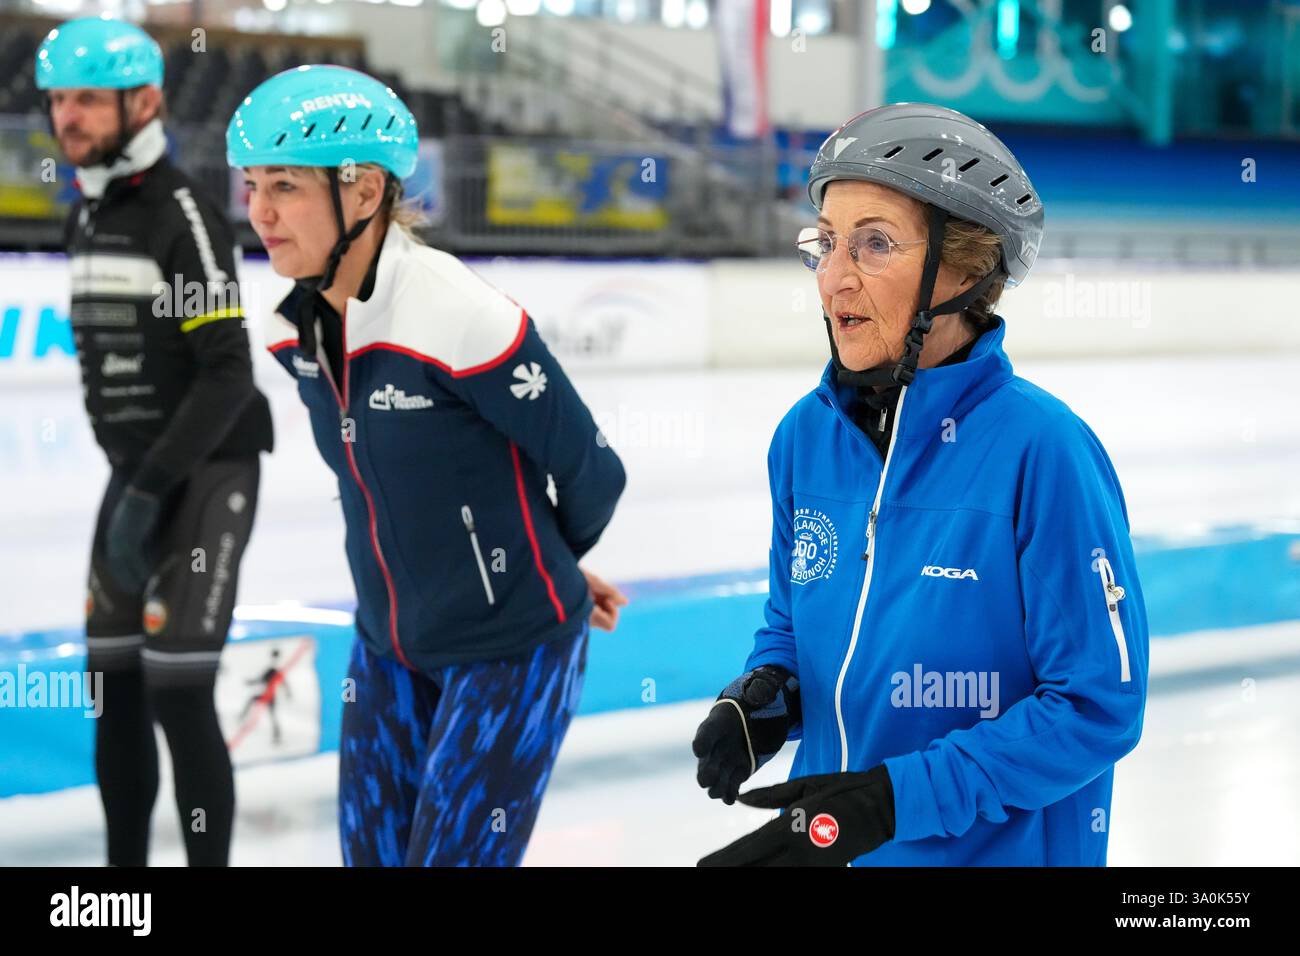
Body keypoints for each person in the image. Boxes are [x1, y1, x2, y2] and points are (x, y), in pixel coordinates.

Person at [694, 103, 1149, 866]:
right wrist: (769, 696)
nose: (835, 276)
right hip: (833, 849)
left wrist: (895, 799)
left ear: (966, 268)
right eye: (827, 242)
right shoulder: (806, 438)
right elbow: (793, 618)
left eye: (875, 243)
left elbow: (1096, 708)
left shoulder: (1043, 451)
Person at [226, 65, 628, 866]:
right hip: (387, 645)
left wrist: (540, 570)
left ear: (365, 191)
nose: (259, 211)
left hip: (510, 652)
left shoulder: (461, 317)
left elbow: (592, 469)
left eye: (284, 186)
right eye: (250, 184)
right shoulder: (288, 323)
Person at [37, 17, 274, 866]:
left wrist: (149, 493)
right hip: (136, 476)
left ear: (144, 102)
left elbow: (227, 374)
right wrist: (132, 487)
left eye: (88, 99)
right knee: (113, 684)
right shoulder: (89, 216)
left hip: (209, 470)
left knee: (178, 690)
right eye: (60, 98)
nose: (68, 115)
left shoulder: (184, 213)